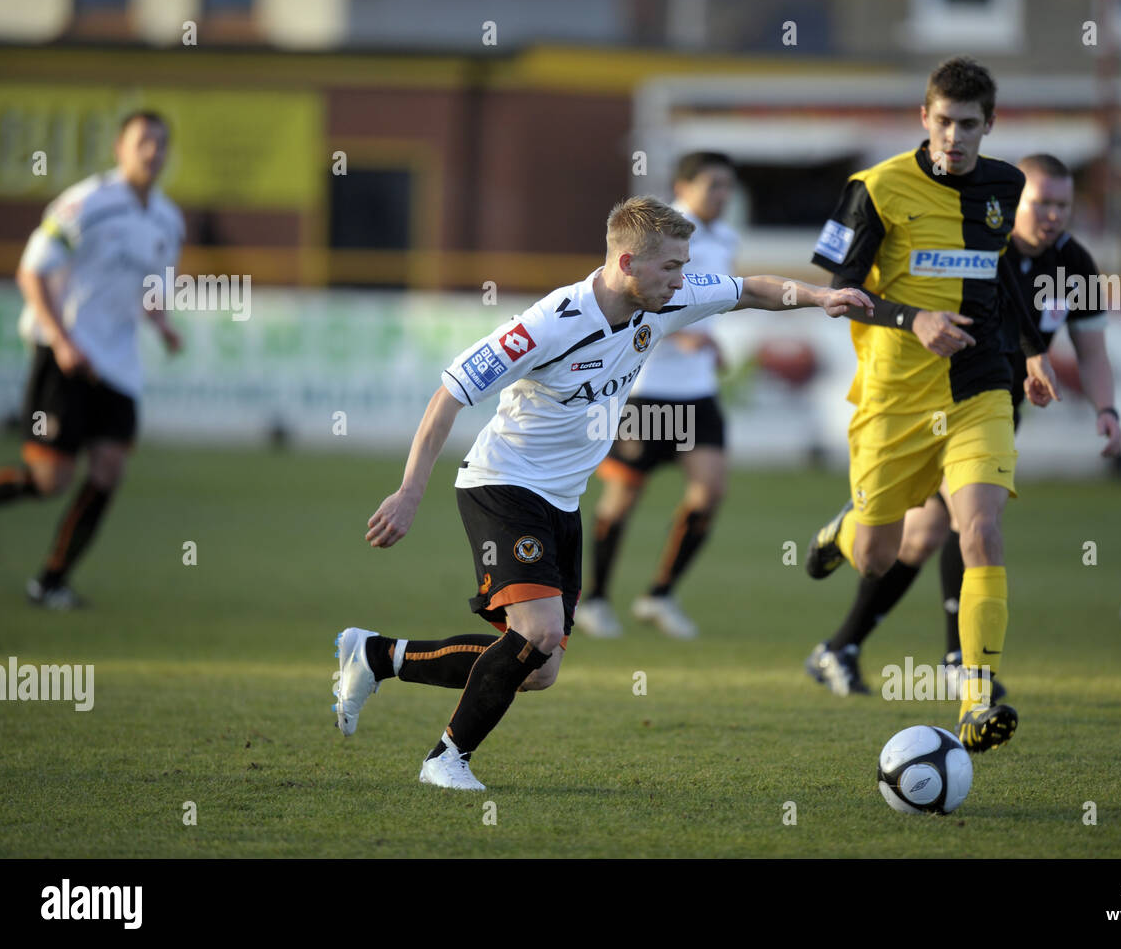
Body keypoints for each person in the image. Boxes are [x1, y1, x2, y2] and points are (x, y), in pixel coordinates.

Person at [332, 194, 873, 790]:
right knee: (536, 636)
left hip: (562, 500)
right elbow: (450, 394)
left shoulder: (667, 297)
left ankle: (378, 656)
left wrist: (822, 297)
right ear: (627, 263)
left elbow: (750, 289)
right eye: (671, 266)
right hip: (503, 485)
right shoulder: (548, 323)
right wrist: (410, 491)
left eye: (684, 266)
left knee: (538, 668)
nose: (682, 278)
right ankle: (445, 760)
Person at [797, 56, 1058, 752]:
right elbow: (838, 292)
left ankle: (977, 696)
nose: (954, 137)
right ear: (924, 117)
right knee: (879, 556)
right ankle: (844, 530)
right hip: (896, 395)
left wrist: (1031, 353)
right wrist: (913, 319)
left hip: (980, 386)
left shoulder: (1007, 185)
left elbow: (1003, 273)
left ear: (988, 126)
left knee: (979, 530)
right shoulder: (874, 189)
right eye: (943, 121)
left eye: (968, 125)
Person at [805, 153, 1121, 696]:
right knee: (920, 536)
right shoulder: (971, 243)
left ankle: (943, 660)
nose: (1051, 215)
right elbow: (849, 283)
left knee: (964, 523)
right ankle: (859, 640)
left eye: (1063, 205)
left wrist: (1106, 410)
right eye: (1041, 203)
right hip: (925, 398)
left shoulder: (1076, 264)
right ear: (1011, 205)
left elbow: (1091, 349)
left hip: (991, 403)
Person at [0, 111, 183, 609]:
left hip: (118, 365)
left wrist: (161, 325)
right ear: (120, 148)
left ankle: (51, 581)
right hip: (66, 356)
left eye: (161, 143)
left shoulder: (168, 220)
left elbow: (150, 292)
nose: (152, 151)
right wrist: (61, 340)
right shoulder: (86, 204)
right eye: (143, 141)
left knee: (109, 469)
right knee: (48, 481)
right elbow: (31, 272)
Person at [576, 152, 738, 640]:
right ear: (682, 187)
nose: (722, 196)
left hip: (698, 390)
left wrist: (708, 342)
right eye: (712, 185)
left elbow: (710, 297)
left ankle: (660, 594)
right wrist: (684, 335)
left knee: (709, 490)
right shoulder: (653, 232)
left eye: (728, 186)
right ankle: (595, 599)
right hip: (647, 391)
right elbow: (623, 293)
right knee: (624, 495)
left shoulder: (725, 238)